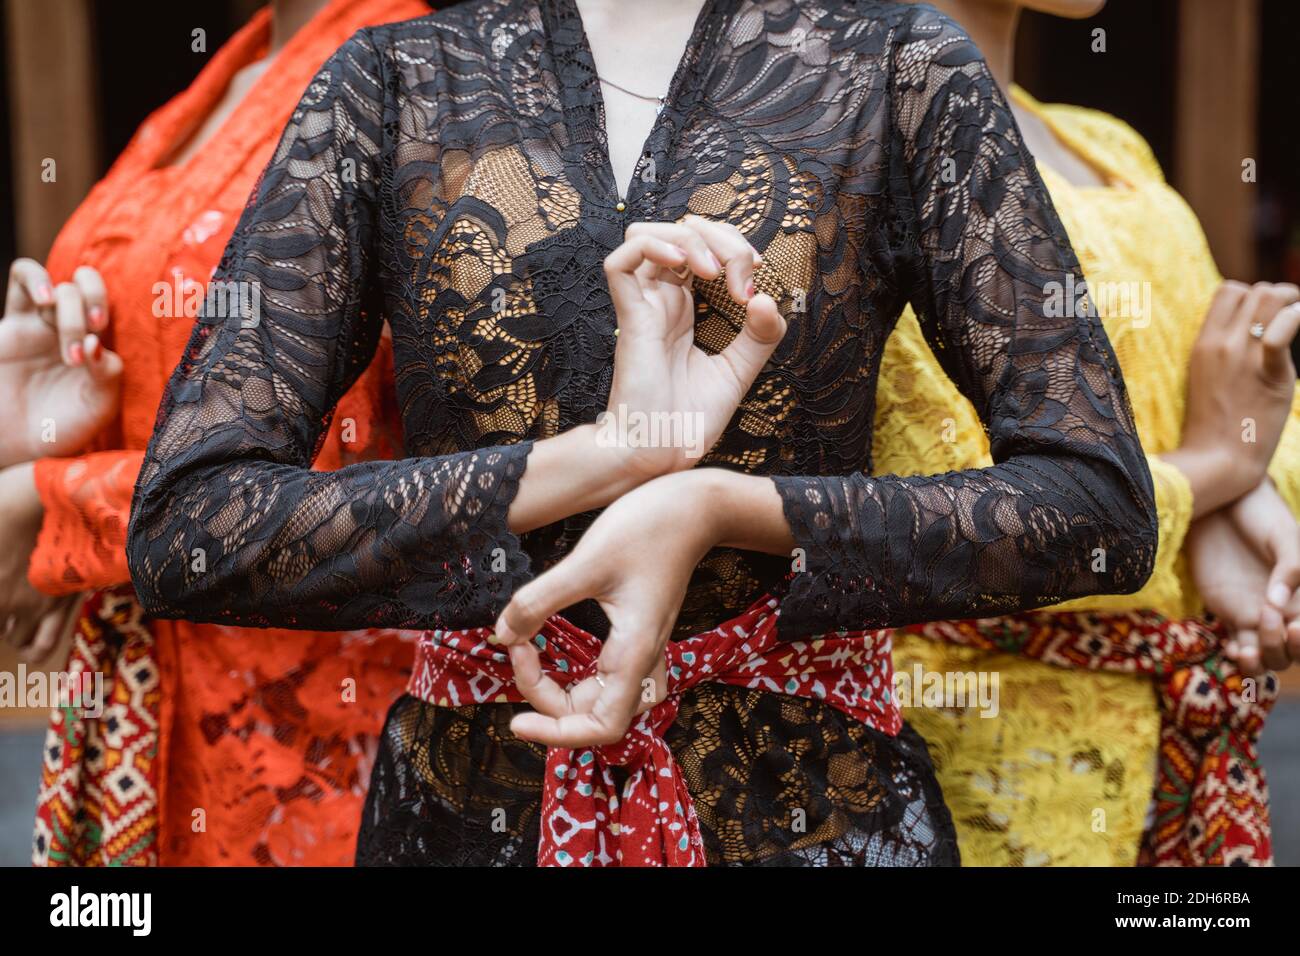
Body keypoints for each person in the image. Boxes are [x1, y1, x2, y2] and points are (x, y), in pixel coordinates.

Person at [126, 0, 1158, 867]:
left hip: (816, 812)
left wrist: (715, 506)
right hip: (470, 810)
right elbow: (189, 526)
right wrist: (610, 454)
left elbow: (1095, 507)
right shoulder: (394, 80)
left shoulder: (897, 68)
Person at [2, 0, 430, 867]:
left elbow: (354, 472)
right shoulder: (222, 80)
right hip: (149, 731)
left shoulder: (409, 74)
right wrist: (38, 426)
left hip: (314, 764)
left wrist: (53, 507)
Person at [878, 0, 1300, 866]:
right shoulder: (846, 145)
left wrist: (1244, 502)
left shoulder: (1112, 149)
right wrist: (1215, 470)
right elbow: (957, 510)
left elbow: (1240, 417)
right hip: (970, 764)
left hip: (1176, 754)